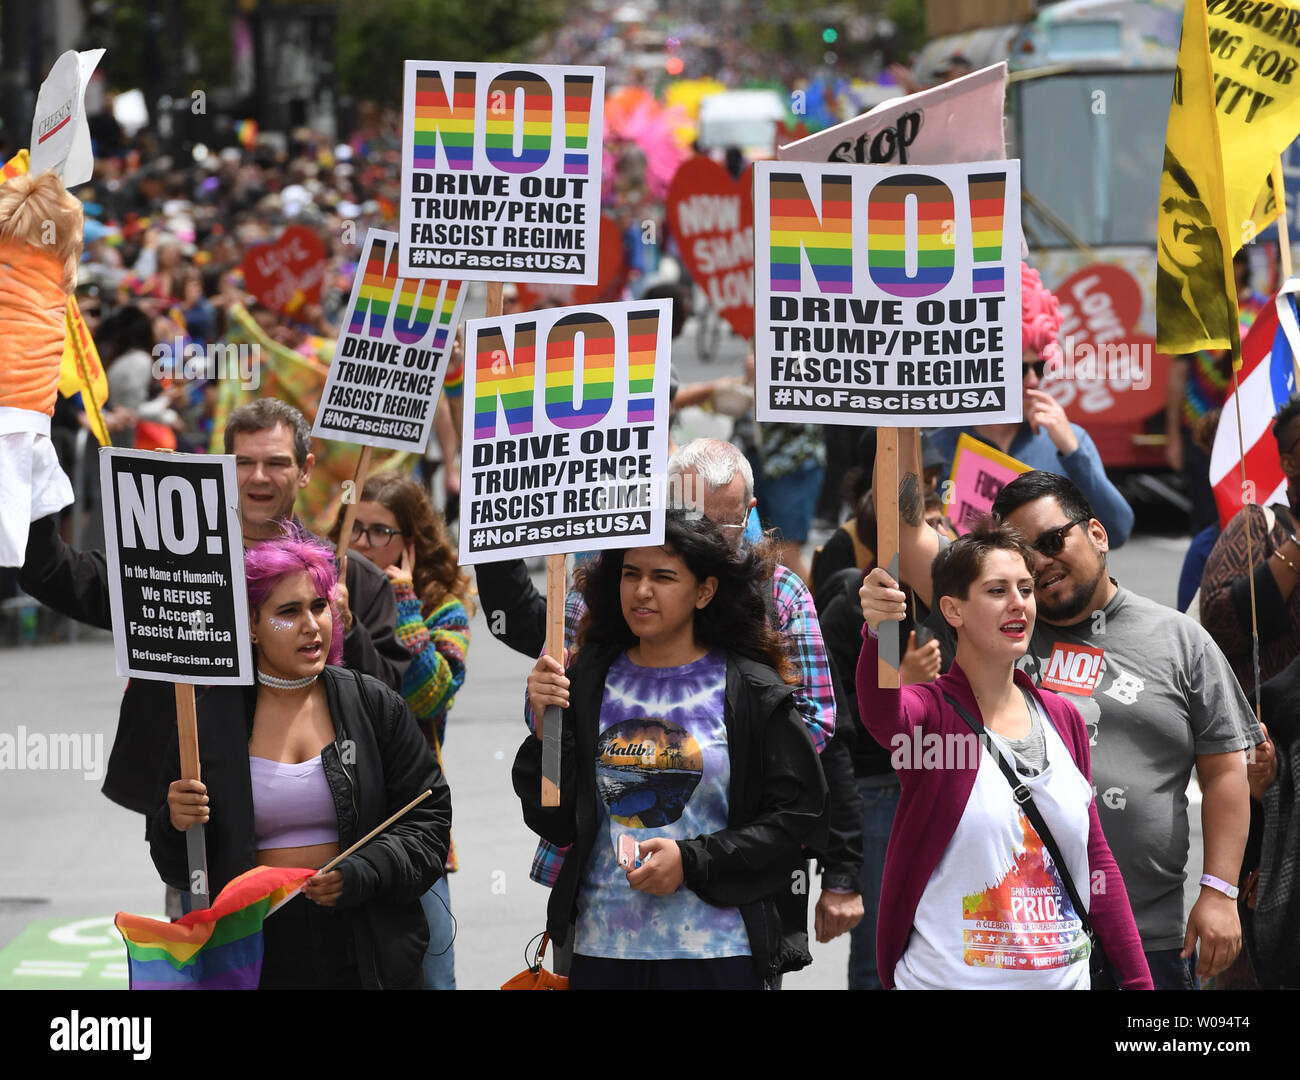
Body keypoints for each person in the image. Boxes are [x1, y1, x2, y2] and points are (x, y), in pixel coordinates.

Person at [886, 454, 1260, 988]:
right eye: (1022, 553)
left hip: (1152, 937)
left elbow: (1226, 772)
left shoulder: (1181, 641)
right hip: (1017, 948)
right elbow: (905, 529)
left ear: (1098, 534)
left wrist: (1219, 891)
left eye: (1052, 541)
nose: (1038, 565)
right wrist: (900, 414)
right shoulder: (1000, 622)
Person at [475, 438, 853, 964]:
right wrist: (545, 707)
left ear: (749, 513)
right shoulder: (603, 594)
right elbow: (554, 727)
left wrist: (711, 759)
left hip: (730, 901)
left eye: (725, 526)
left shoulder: (781, 593)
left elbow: (815, 724)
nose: (710, 539)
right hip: (603, 910)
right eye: (692, 518)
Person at [18, 398, 411, 822]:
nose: (259, 476)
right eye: (244, 462)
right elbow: (49, 573)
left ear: (305, 470)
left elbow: (392, 701)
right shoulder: (167, 567)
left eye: (276, 462)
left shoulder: (351, 579)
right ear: (223, 469)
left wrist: (345, 627)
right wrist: (28, 447)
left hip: (323, 820)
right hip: (196, 823)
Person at [513, 511, 828, 989]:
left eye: (663, 577)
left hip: (718, 955)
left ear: (704, 591)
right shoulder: (586, 681)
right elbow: (554, 819)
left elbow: (795, 818)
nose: (642, 591)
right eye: (631, 574)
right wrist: (546, 730)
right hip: (602, 949)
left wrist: (693, 860)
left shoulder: (750, 689)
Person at [855, 521, 1151, 989]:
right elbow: (882, 715)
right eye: (997, 590)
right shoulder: (932, 714)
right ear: (952, 609)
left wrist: (1138, 983)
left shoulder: (1063, 718)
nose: (1019, 603)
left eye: (1026, 589)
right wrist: (879, 634)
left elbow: (1095, 859)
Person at [153, 528, 451, 989]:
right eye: (288, 612)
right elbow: (182, 869)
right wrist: (176, 823)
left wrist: (364, 871)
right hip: (255, 953)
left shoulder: (374, 704)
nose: (311, 624)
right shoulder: (205, 725)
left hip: (363, 945)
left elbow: (429, 818)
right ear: (251, 625)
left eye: (318, 606)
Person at [335, 471, 472, 990]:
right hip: (343, 811)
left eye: (379, 531)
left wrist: (406, 603)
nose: (363, 543)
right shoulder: (325, 596)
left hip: (413, 813)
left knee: (433, 977)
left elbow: (428, 696)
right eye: (355, 528)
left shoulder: (444, 609)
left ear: (409, 543)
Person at [927, 263, 1135, 545]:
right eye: (1019, 369)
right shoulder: (938, 445)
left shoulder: (1067, 440)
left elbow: (1118, 530)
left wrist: (1072, 451)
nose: (1033, 380)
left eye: (1040, 367)